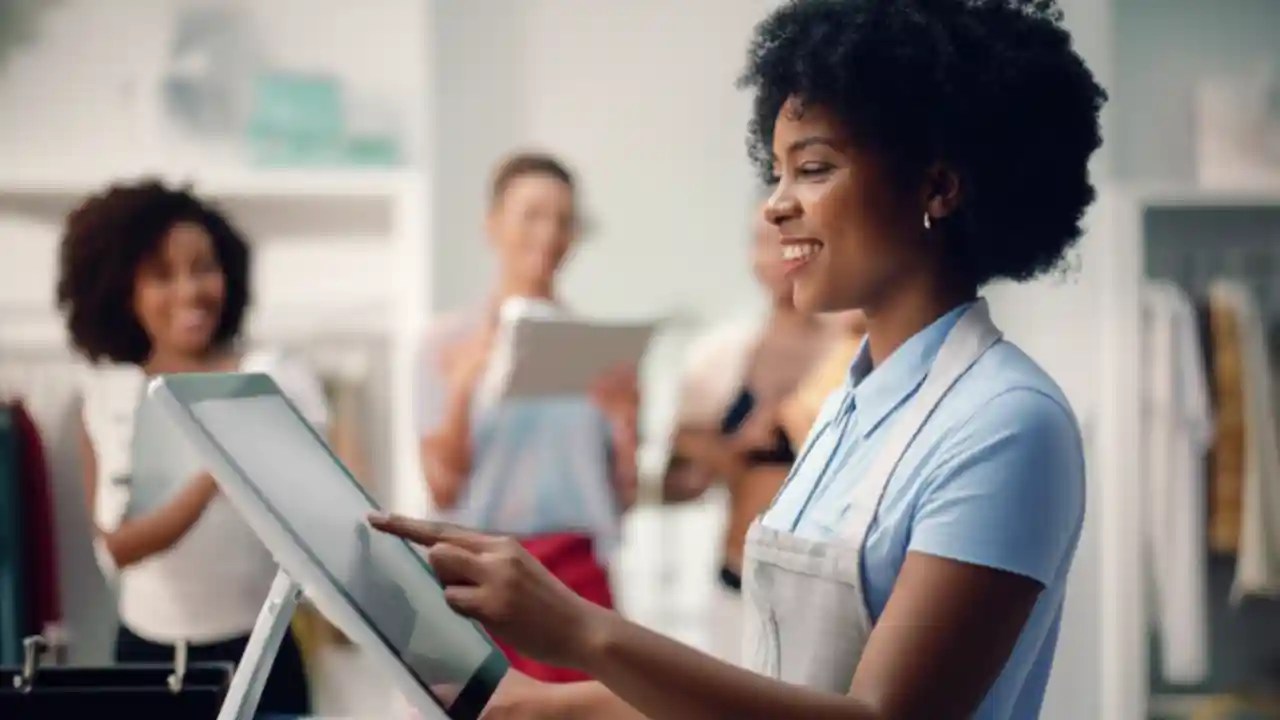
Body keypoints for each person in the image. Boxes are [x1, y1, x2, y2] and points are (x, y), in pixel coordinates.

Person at [375, 0, 1106, 717]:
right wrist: (539, 706)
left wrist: (583, 634)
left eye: (813, 169)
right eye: (778, 173)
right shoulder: (849, 412)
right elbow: (770, 682)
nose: (774, 207)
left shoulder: (1007, 423)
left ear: (937, 187)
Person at [58, 180, 327, 715]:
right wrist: (217, 470)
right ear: (123, 290)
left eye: (204, 267)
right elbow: (119, 548)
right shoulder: (111, 398)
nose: (190, 291)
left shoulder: (271, 381)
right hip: (149, 665)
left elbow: (325, 520)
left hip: (263, 655)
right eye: (162, 275)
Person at [415, 152, 639, 683]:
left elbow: (624, 498)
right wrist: (464, 389)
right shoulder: (444, 344)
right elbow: (442, 488)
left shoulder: (599, 351)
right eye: (533, 215)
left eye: (564, 219)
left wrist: (626, 422)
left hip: (578, 580)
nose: (550, 233)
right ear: (493, 226)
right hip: (479, 574)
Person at [663, 202, 836, 663]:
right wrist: (733, 452)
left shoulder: (853, 351)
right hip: (739, 581)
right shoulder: (719, 357)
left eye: (791, 236)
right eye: (766, 240)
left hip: (827, 591)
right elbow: (676, 486)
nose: (780, 252)